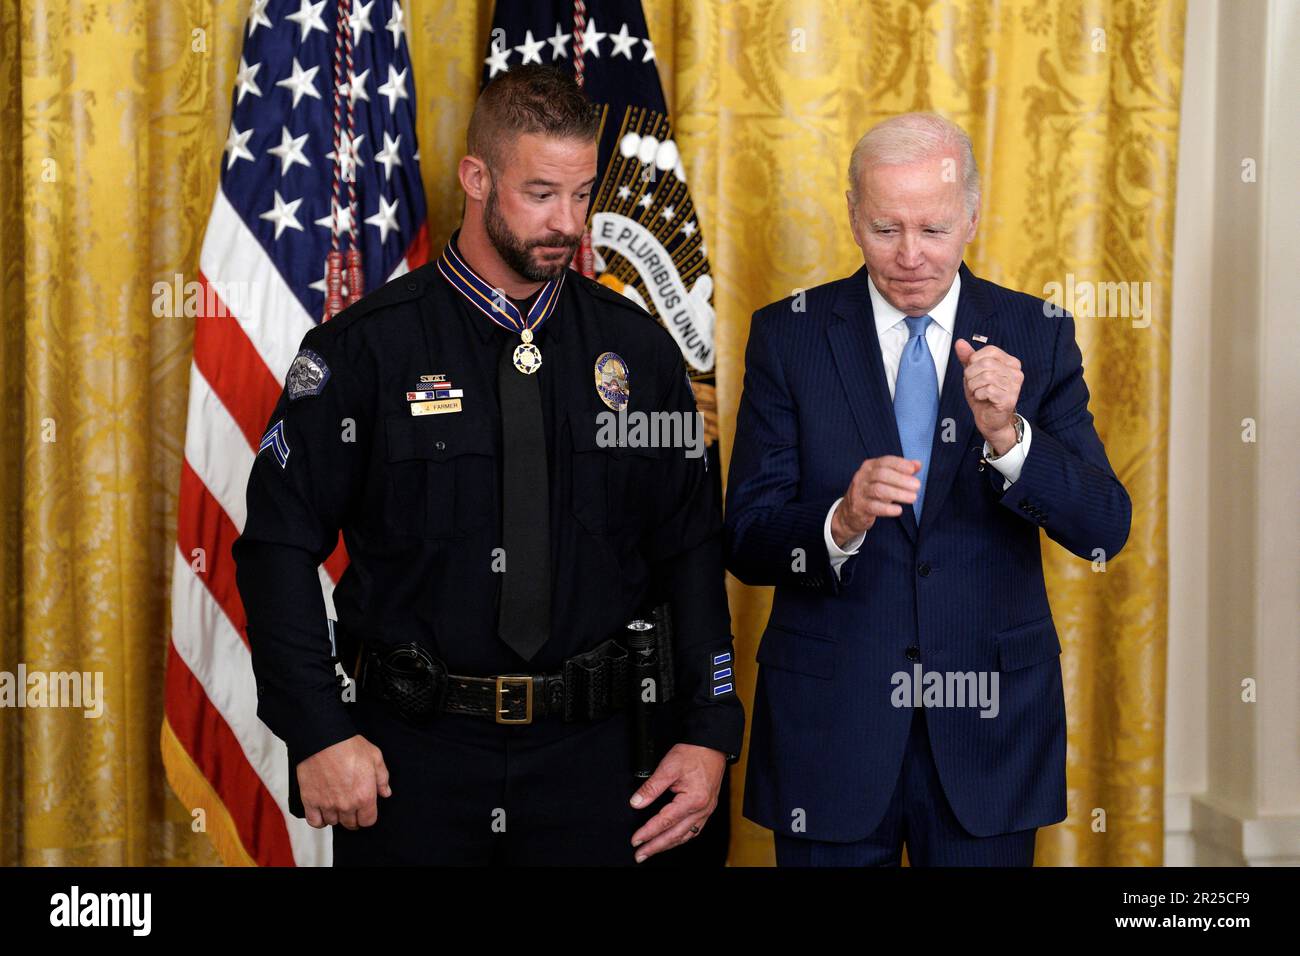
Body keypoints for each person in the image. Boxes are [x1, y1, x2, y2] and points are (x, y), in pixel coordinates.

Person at [233, 65, 742, 866]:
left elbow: (689, 553)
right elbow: (276, 548)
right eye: (540, 193)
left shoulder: (638, 352)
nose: (568, 222)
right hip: (415, 763)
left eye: (581, 194)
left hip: (598, 764)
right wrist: (318, 727)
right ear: (476, 177)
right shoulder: (366, 350)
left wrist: (711, 731)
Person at [725, 112, 1131, 866]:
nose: (910, 257)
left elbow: (1106, 524)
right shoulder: (789, 334)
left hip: (990, 738)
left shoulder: (1036, 332)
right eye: (885, 228)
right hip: (831, 733)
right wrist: (838, 523)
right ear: (851, 213)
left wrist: (1010, 438)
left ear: (972, 217)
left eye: (934, 230)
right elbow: (746, 538)